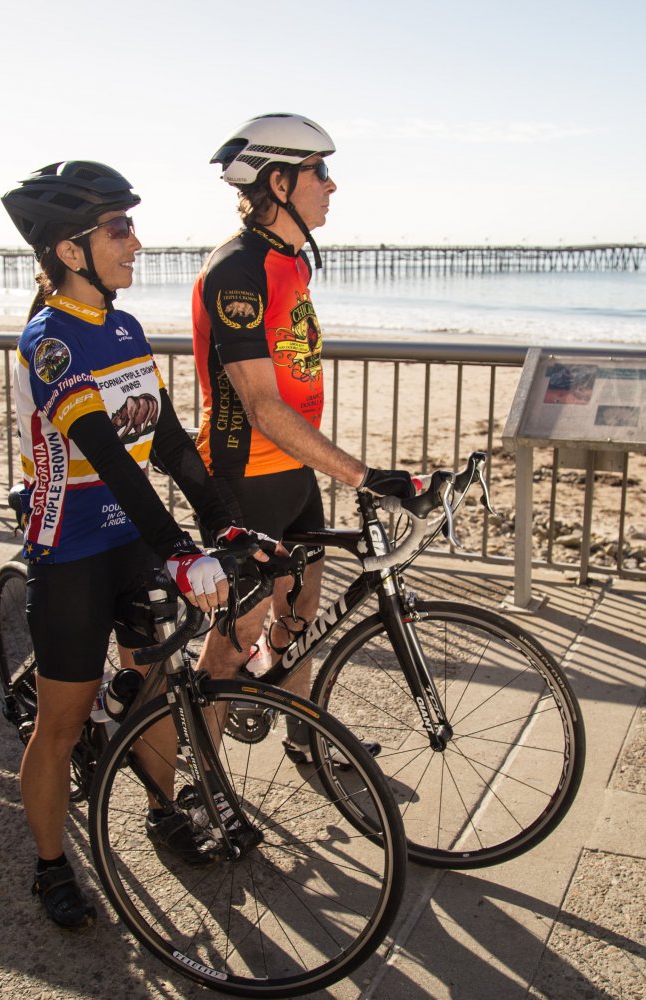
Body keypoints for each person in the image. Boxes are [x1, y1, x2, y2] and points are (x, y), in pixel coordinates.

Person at [1, 160, 268, 929]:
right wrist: (179, 546)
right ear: (70, 250)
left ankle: (159, 809)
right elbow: (108, 457)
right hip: (74, 550)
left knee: (153, 687)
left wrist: (222, 522)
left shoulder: (121, 327)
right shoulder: (49, 340)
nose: (137, 242)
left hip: (132, 540)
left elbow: (167, 438)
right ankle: (51, 865)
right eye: (119, 229)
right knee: (60, 725)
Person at [191, 113, 418, 759]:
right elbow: (261, 406)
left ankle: (303, 738)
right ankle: (199, 787)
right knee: (233, 643)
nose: (333, 185)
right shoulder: (237, 270)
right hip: (244, 479)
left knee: (299, 616)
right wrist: (364, 475)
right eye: (322, 172)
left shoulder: (290, 263)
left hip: (289, 472)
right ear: (282, 182)